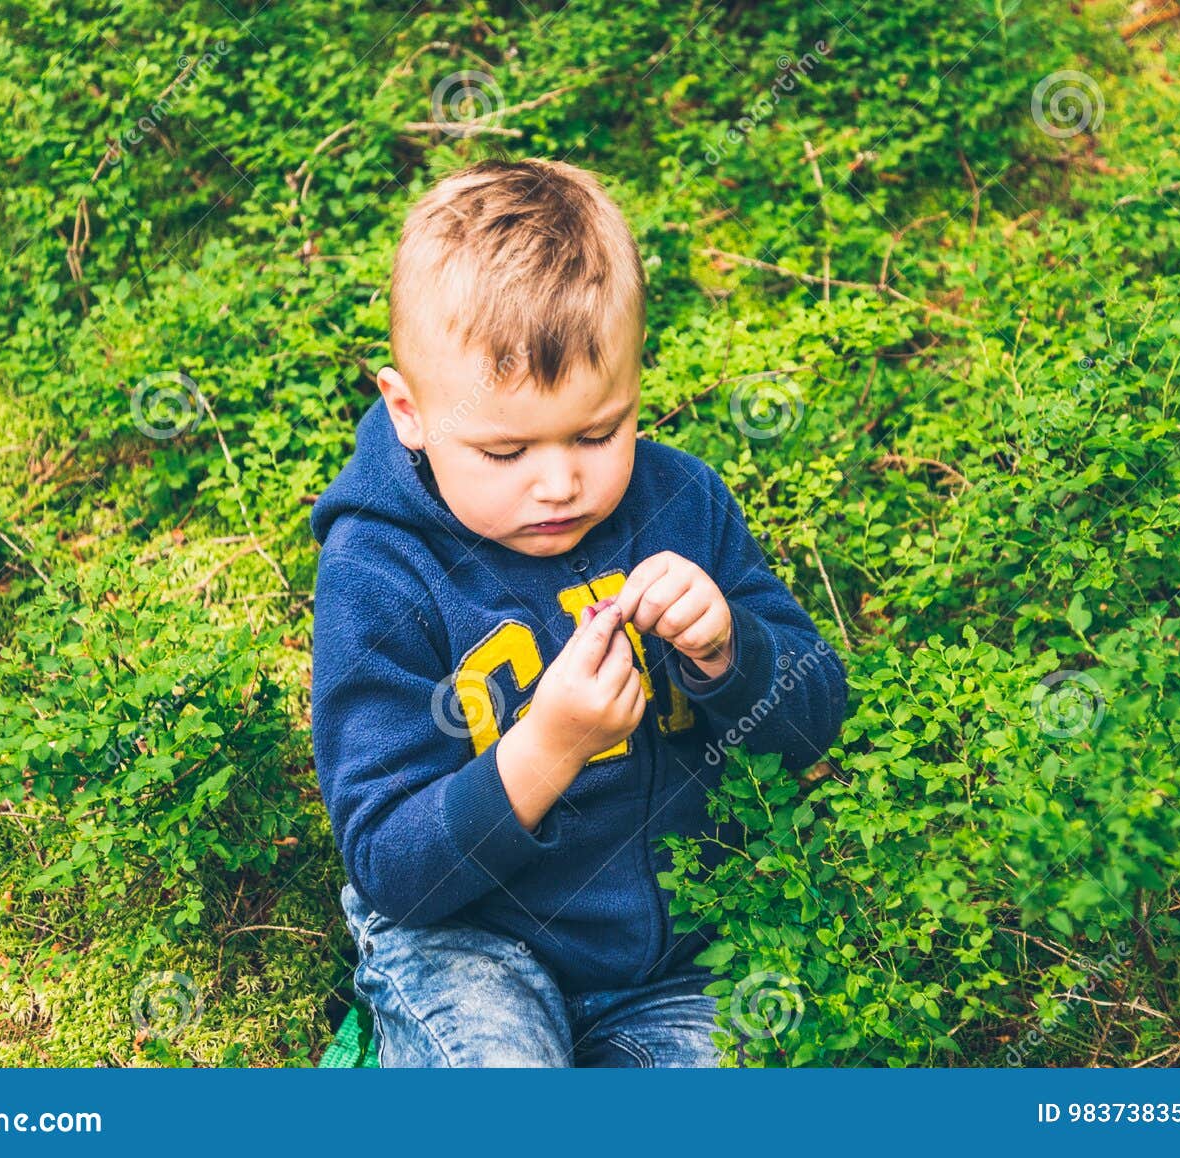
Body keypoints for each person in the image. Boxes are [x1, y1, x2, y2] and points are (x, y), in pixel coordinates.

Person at [309, 158, 849, 1066]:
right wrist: (547, 747)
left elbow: (814, 719)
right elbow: (392, 864)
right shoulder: (380, 571)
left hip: (678, 959)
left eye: (599, 433)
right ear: (408, 412)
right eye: (505, 450)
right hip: (468, 939)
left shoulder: (679, 503)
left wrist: (729, 653)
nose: (559, 483)